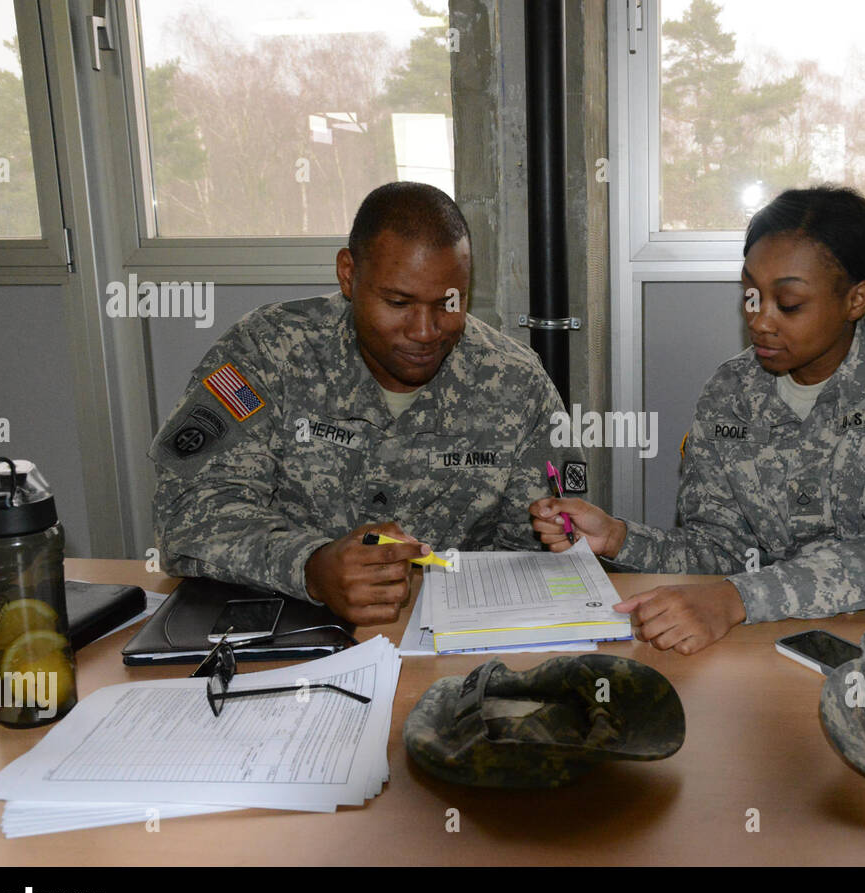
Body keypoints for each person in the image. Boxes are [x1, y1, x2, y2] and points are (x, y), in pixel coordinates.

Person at [531, 186, 865, 655]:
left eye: (788, 303)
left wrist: (737, 598)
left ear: (856, 300)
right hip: (776, 635)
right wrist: (618, 538)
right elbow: (719, 552)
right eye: (751, 295)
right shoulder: (731, 392)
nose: (759, 319)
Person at [151, 182, 581, 625]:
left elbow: (552, 554)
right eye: (398, 302)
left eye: (448, 303)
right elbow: (187, 515)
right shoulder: (267, 352)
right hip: (289, 631)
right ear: (348, 274)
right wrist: (311, 567)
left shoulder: (515, 381)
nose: (425, 331)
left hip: (450, 645)